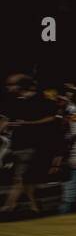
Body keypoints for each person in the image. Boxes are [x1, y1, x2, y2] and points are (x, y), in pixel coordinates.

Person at [1, 73, 61, 215]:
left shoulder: (42, 100)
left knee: (20, 177)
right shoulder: (13, 102)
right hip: (15, 145)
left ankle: (10, 205)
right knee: (23, 178)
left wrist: (29, 124)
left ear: (21, 86)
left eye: (11, 85)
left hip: (32, 145)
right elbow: (6, 120)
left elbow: (52, 119)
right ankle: (34, 206)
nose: (7, 88)